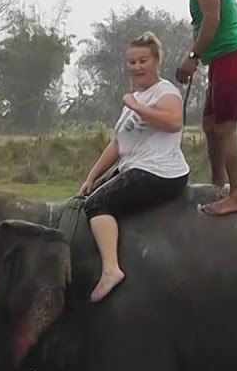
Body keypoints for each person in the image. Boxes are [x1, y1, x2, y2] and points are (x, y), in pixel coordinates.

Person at [78, 31, 190, 303]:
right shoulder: (136, 98)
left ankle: (111, 270)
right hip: (135, 166)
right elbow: (118, 144)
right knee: (84, 199)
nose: (138, 67)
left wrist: (136, 106)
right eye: (133, 62)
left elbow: (174, 122)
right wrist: (92, 177)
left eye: (143, 61)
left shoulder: (165, 92)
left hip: (160, 170)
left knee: (97, 205)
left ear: (156, 62)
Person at [161, 0, 237, 217]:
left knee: (225, 127)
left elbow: (212, 19)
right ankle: (218, 185)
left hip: (232, 56)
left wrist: (193, 56)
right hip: (221, 60)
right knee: (210, 124)